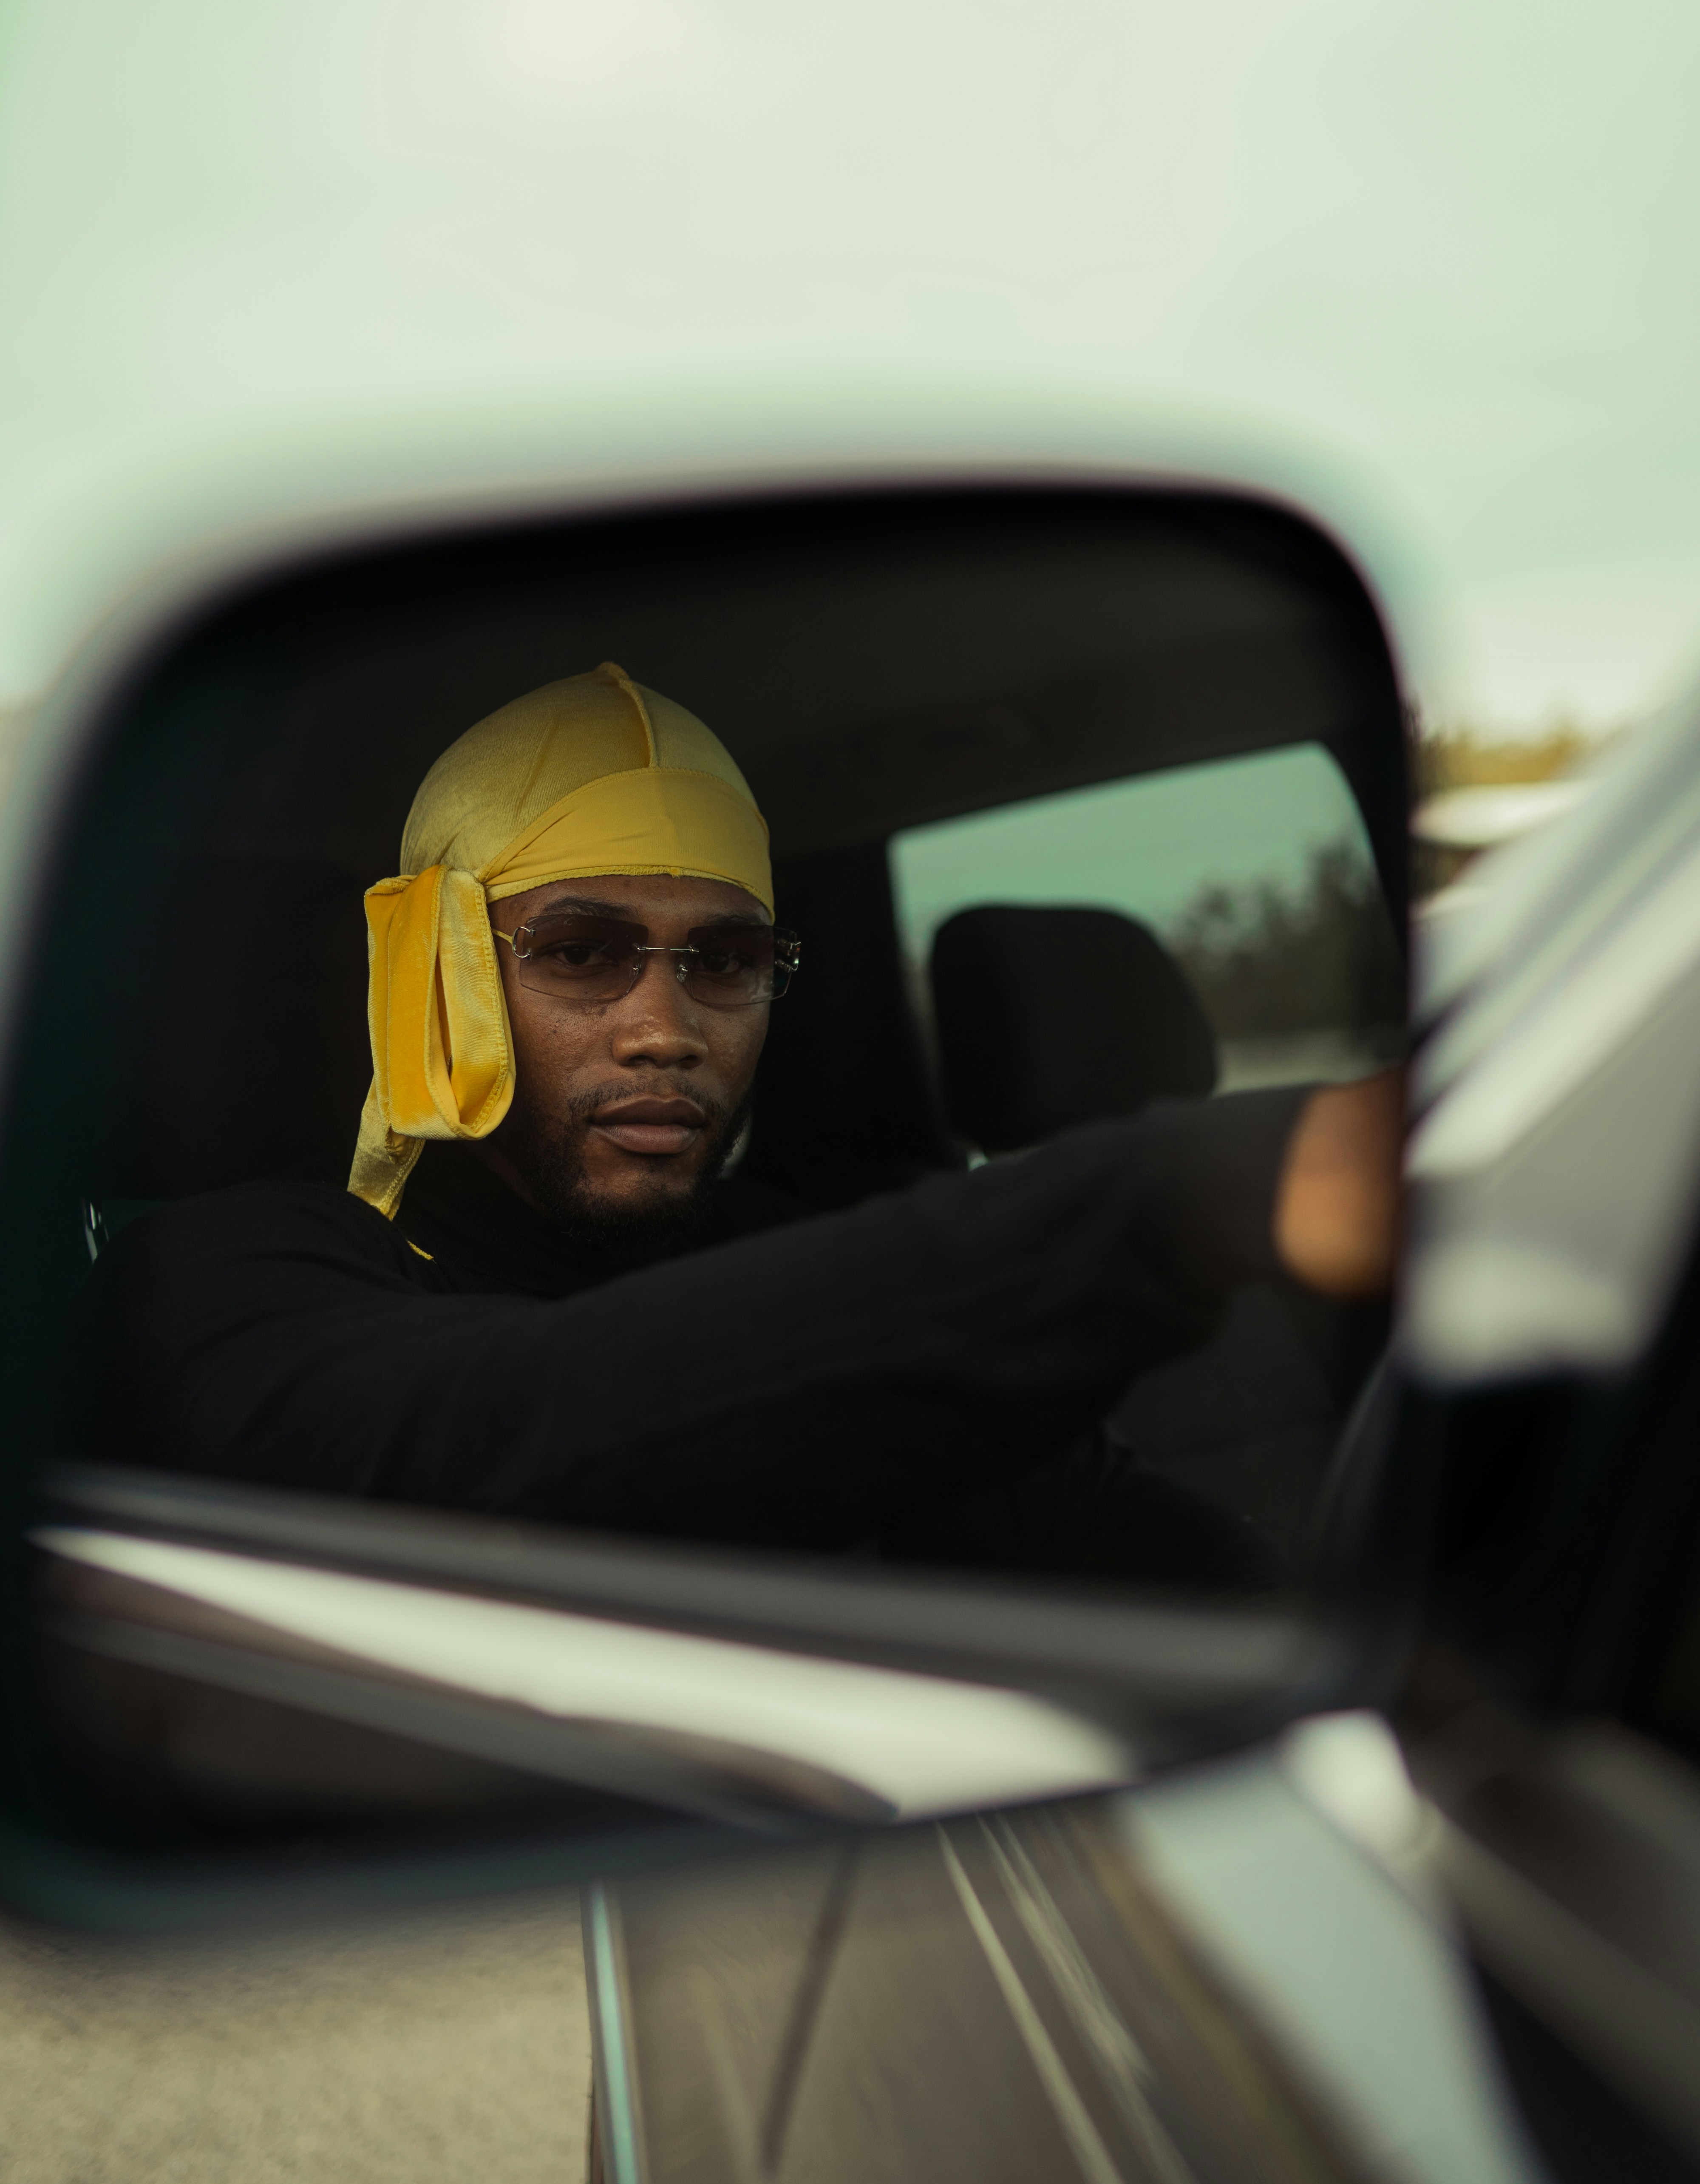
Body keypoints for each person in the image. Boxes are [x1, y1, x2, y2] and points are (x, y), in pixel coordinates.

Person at [88, 662, 1402, 1589]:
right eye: (582, 951)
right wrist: (1178, 1199)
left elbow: (1125, 1540)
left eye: (724, 961)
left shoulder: (788, 1251)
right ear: (448, 975)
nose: (666, 1028)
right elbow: (512, 1430)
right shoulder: (222, 1281)